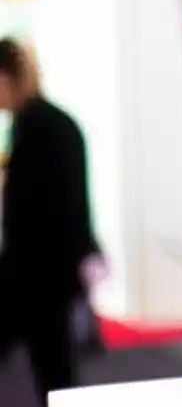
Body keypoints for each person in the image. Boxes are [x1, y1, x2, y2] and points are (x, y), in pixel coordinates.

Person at [0, 38, 102, 404]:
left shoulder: (36, 129)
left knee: (56, 371)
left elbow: (49, 208)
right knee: (56, 372)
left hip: (36, 273)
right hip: (46, 272)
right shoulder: (50, 125)